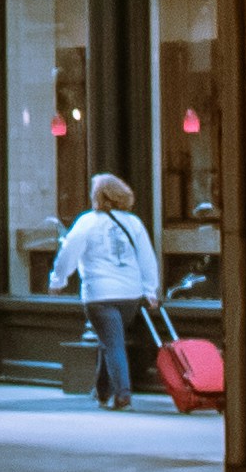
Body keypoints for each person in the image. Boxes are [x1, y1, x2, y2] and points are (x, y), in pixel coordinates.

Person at [49, 172, 163, 411]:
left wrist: (58, 280)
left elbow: (69, 252)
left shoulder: (88, 221)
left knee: (112, 342)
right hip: (130, 295)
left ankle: (122, 394)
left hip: (100, 294)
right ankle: (102, 392)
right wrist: (150, 289)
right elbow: (147, 258)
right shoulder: (134, 223)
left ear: (98, 196)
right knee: (109, 340)